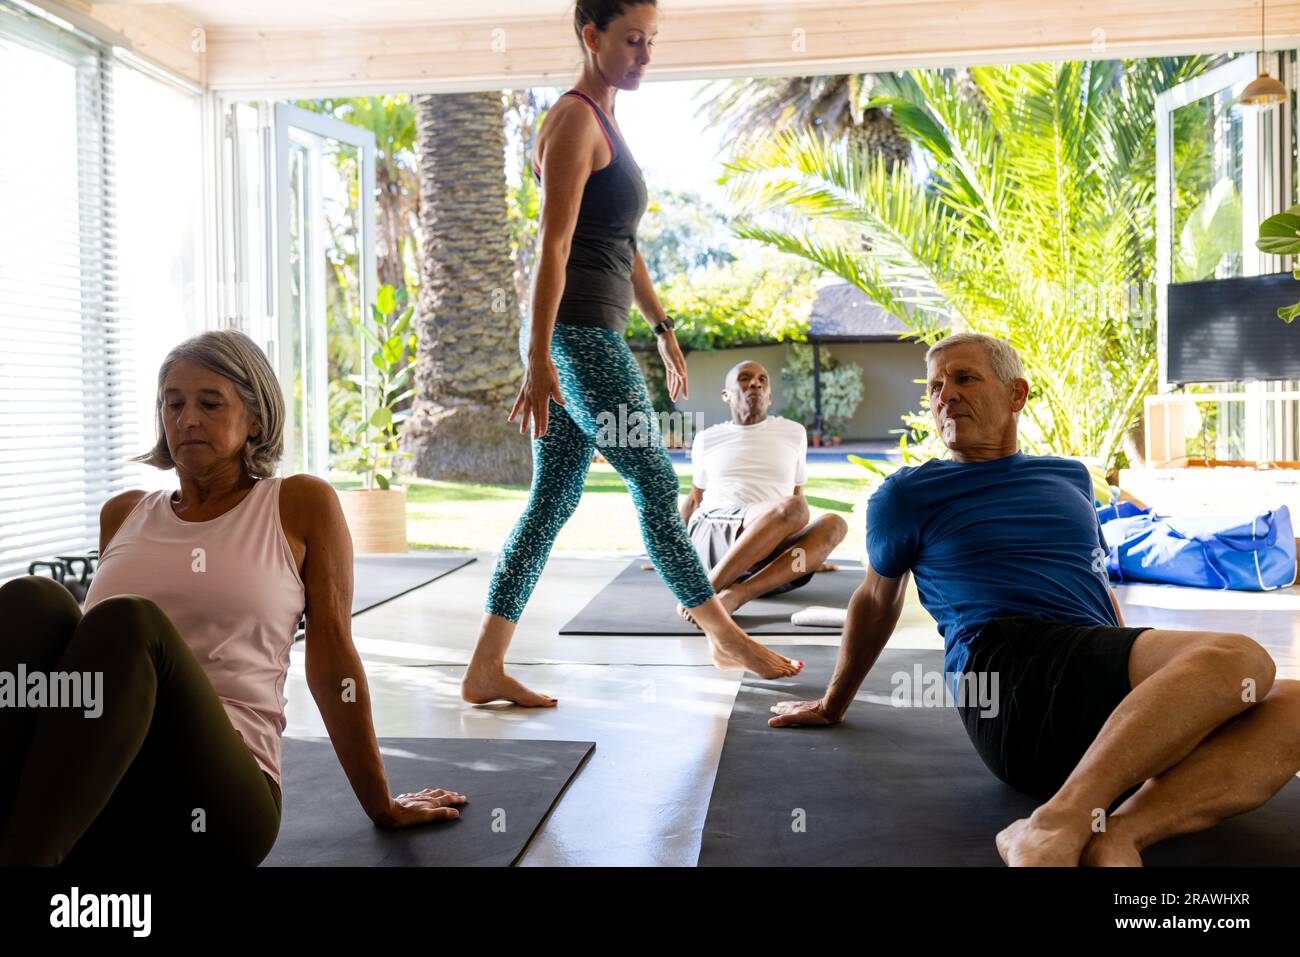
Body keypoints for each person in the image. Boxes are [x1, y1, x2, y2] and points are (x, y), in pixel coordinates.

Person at [768, 332, 1300, 866]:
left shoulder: (1068, 476)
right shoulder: (908, 494)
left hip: (1095, 682)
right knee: (1240, 659)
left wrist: (1138, 655)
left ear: (1017, 394)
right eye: (934, 387)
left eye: (964, 378)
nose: (944, 395)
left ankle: (1119, 834)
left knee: (1292, 700)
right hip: (1004, 672)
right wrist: (832, 703)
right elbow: (877, 601)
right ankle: (1056, 823)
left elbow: (1094, 581)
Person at [0, 330, 466, 866]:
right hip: (97, 792)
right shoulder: (123, 513)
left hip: (217, 800)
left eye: (209, 402)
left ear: (256, 418)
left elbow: (332, 660)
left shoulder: (297, 504)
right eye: (173, 404)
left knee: (130, 622)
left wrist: (381, 803)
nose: (187, 418)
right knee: (31, 600)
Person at [462, 0, 802, 709]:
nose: (646, 54)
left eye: (652, 41)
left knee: (552, 500)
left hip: (597, 331)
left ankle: (486, 665)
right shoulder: (576, 120)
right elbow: (552, 248)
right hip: (580, 336)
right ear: (591, 36)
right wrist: (538, 357)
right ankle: (723, 632)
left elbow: (623, 245)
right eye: (633, 40)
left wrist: (664, 327)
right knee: (653, 478)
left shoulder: (607, 121)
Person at [678, 360, 847, 624]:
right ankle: (704, 592)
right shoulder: (708, 438)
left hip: (767, 551)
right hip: (716, 535)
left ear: (769, 395)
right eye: (745, 378)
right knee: (794, 508)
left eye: (762, 379)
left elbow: (795, 493)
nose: (755, 382)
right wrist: (669, 554)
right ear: (726, 394)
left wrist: (812, 551)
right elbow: (694, 499)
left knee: (834, 525)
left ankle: (737, 595)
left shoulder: (794, 433)